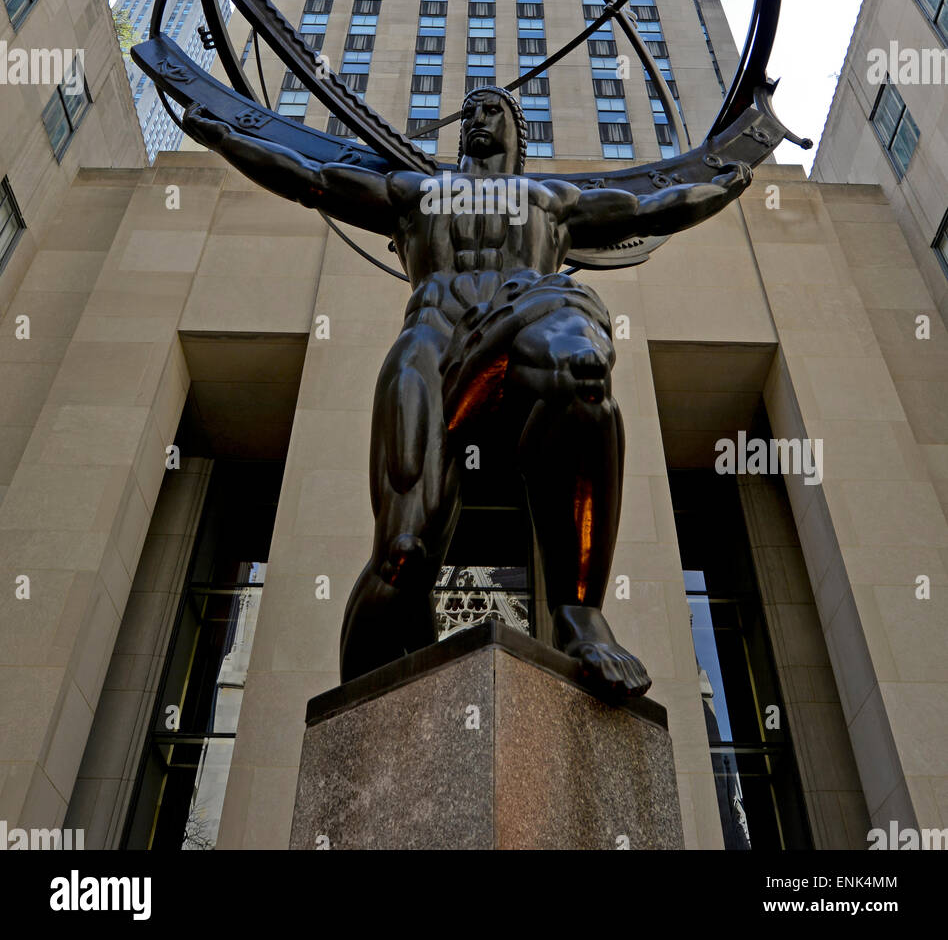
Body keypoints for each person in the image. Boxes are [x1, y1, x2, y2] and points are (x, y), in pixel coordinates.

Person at [183, 87, 750, 695]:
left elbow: (648, 210)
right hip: (433, 336)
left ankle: (580, 613)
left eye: (493, 110)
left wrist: (722, 184)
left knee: (582, 368)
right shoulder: (415, 192)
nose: (477, 117)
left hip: (523, 319)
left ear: (518, 132)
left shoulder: (551, 199)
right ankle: (367, 702)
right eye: (470, 110)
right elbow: (313, 178)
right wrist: (226, 138)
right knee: (404, 551)